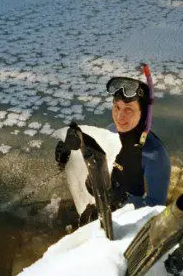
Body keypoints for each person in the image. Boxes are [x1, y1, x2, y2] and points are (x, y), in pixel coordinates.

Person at [55, 70, 171, 212]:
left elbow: (156, 210)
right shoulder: (111, 131)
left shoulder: (154, 154)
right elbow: (93, 163)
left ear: (143, 113)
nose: (119, 116)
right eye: (116, 107)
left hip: (125, 222)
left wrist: (122, 200)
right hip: (101, 207)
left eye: (128, 109)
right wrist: (68, 157)